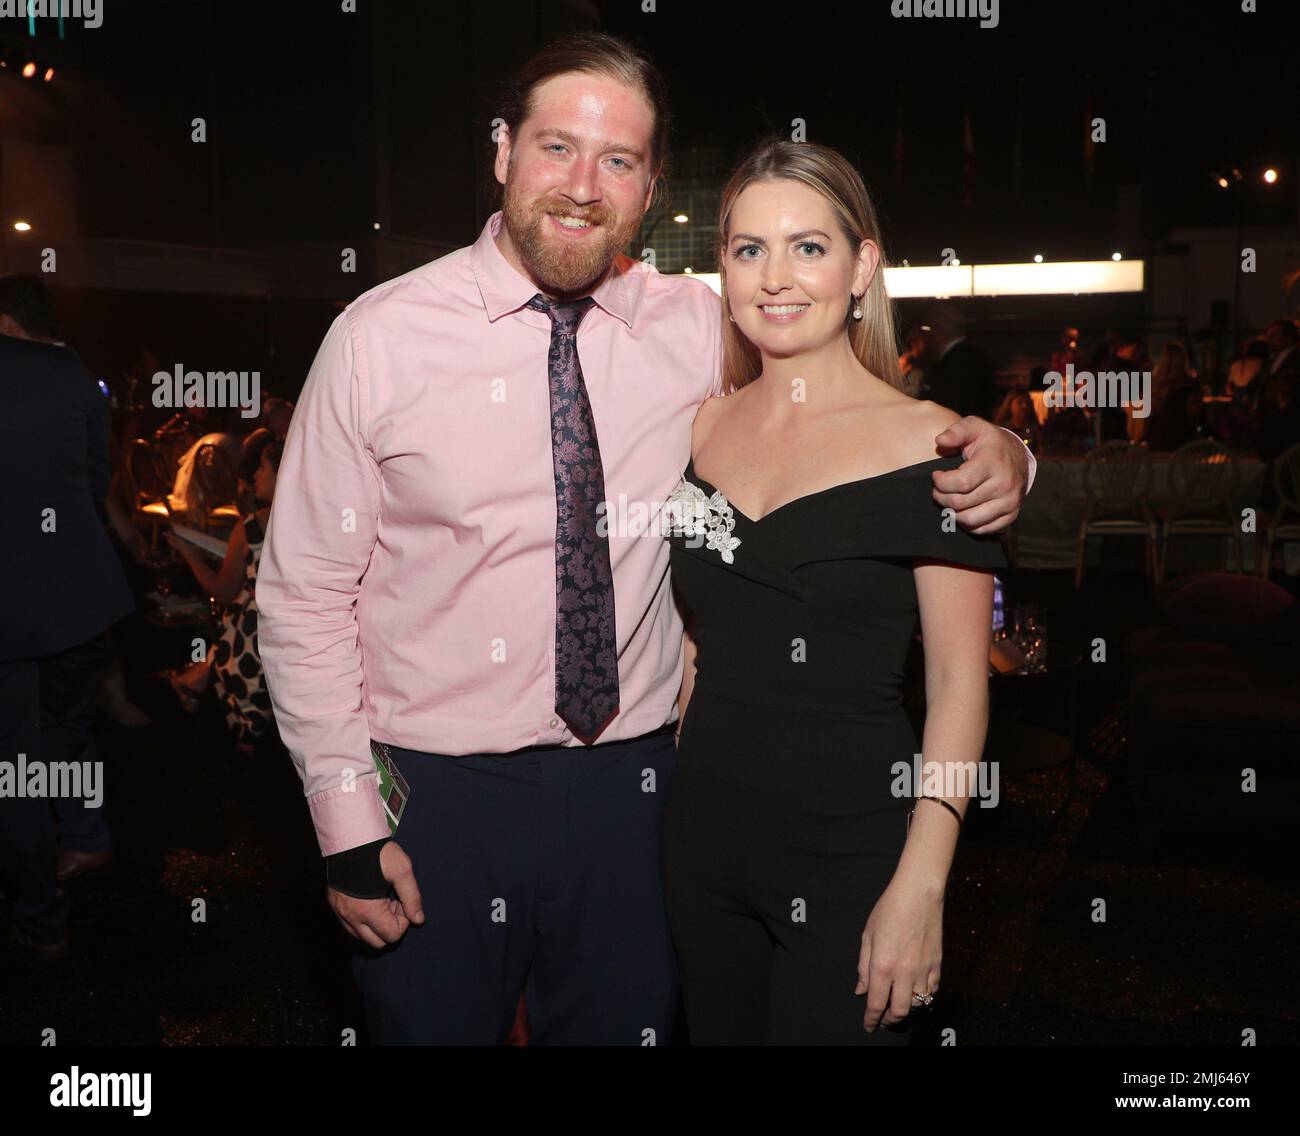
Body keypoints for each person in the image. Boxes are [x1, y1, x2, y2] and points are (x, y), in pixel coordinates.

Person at [255, 31, 1035, 1047]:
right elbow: (303, 591)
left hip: (640, 794)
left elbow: (843, 424)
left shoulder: (692, 327)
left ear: (649, 185)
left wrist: (1014, 453)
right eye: (556, 148)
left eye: (618, 160)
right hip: (439, 793)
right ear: (501, 152)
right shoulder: (378, 337)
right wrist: (346, 821)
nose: (584, 186)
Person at [661, 140, 1004, 1045]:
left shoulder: (936, 446)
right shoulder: (698, 427)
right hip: (699, 840)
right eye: (749, 249)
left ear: (864, 267)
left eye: (809, 247)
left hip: (855, 847)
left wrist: (924, 883)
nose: (777, 277)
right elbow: (700, 640)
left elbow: (962, 687)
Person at [0, 276, 135, 959]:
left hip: (16, 613)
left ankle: (42, 918)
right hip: (83, 597)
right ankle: (86, 837)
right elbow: (96, 477)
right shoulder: (74, 371)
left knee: (15, 766)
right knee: (67, 728)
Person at [163, 438, 280, 751]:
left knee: (238, 609)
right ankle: (194, 680)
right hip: (303, 628)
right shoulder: (319, 516)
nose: (256, 474)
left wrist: (188, 552)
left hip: (260, 638)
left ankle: (240, 734)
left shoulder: (255, 526)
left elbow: (221, 591)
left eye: (263, 468)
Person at [919, 303, 997, 419]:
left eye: (928, 328)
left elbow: (945, 407)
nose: (924, 335)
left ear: (939, 331)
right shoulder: (979, 356)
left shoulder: (948, 365)